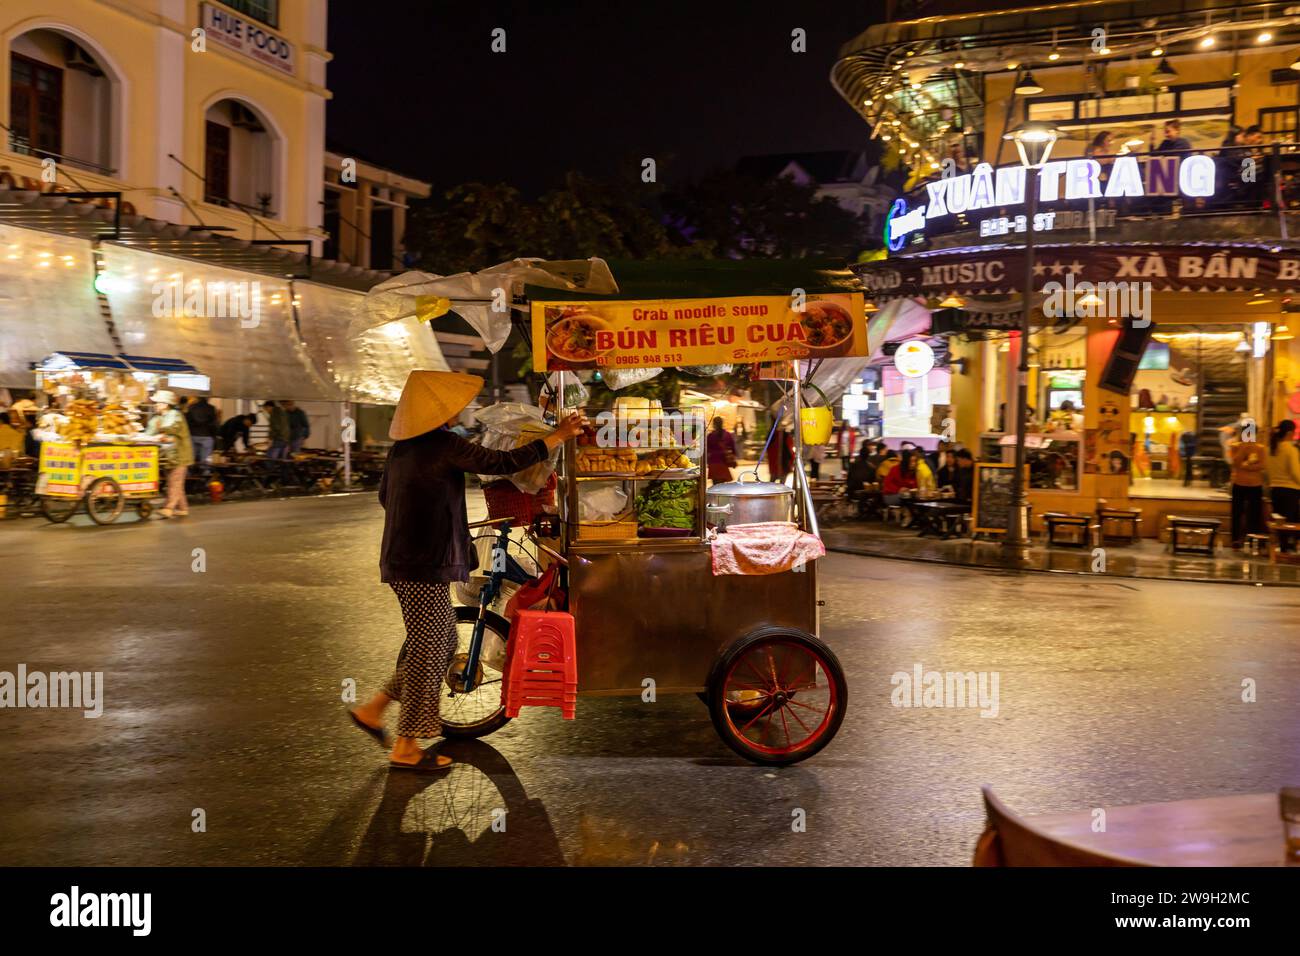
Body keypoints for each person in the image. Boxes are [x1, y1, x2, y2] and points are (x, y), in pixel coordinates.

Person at [347, 370, 584, 771]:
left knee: (435, 642)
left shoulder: (404, 449)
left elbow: (385, 497)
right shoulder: (442, 445)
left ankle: (374, 709)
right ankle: (406, 745)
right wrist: (556, 437)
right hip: (421, 563)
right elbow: (501, 462)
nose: (460, 410)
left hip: (407, 559)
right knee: (433, 646)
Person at [146, 390, 193, 518]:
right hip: (168, 456)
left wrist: (160, 431)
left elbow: (171, 427)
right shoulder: (158, 417)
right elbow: (149, 432)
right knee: (176, 483)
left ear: (165, 404)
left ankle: (169, 508)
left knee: (174, 482)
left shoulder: (175, 415)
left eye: (158, 403)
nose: (155, 405)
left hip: (179, 455)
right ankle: (183, 508)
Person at [1228, 422, 1267, 548]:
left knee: (1255, 513)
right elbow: (1234, 463)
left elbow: (1262, 466)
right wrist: (1243, 449)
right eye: (1247, 433)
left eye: (1252, 433)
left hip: (1255, 485)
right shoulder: (1235, 447)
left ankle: (1253, 539)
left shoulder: (1260, 448)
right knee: (1237, 512)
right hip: (1239, 483)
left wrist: (1247, 467)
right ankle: (1235, 539)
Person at [1268, 420, 1300, 523]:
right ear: (1289, 433)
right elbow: (1295, 472)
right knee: (1292, 524)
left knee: (1280, 523)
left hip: (1275, 490)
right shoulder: (1291, 449)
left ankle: (1281, 540)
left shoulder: (1271, 449)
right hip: (1290, 492)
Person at [185, 396, 220, 465]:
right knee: (206, 460)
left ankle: (191, 473)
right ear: (207, 398)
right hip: (207, 436)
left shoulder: (191, 407)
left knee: (191, 459)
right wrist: (214, 436)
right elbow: (214, 424)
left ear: (198, 398)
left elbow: (187, 422)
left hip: (193, 435)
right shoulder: (211, 408)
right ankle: (205, 473)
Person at [705, 416, 737, 486]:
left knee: (715, 485)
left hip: (713, 462)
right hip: (723, 462)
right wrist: (733, 457)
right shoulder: (728, 435)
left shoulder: (710, 436)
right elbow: (733, 448)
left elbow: (706, 449)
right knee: (723, 485)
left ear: (714, 424)